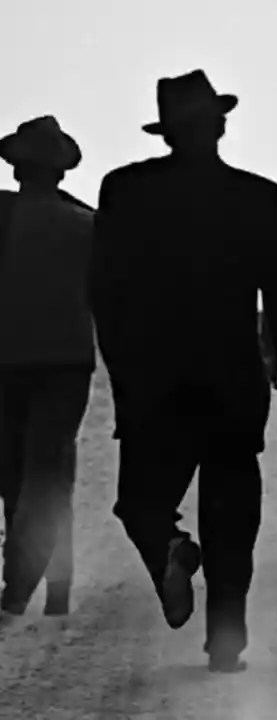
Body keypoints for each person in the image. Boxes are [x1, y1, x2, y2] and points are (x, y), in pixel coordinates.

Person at [90, 69, 277, 673]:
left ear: (166, 132)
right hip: (233, 382)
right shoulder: (263, 198)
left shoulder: (124, 191)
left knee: (140, 501)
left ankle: (168, 546)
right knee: (232, 514)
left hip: (155, 380)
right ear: (220, 124)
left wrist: (124, 376)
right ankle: (226, 640)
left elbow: (105, 295)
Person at [0, 116, 95, 625]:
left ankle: (19, 580)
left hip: (7, 360)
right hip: (67, 361)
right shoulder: (87, 222)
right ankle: (56, 582)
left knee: (14, 474)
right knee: (53, 472)